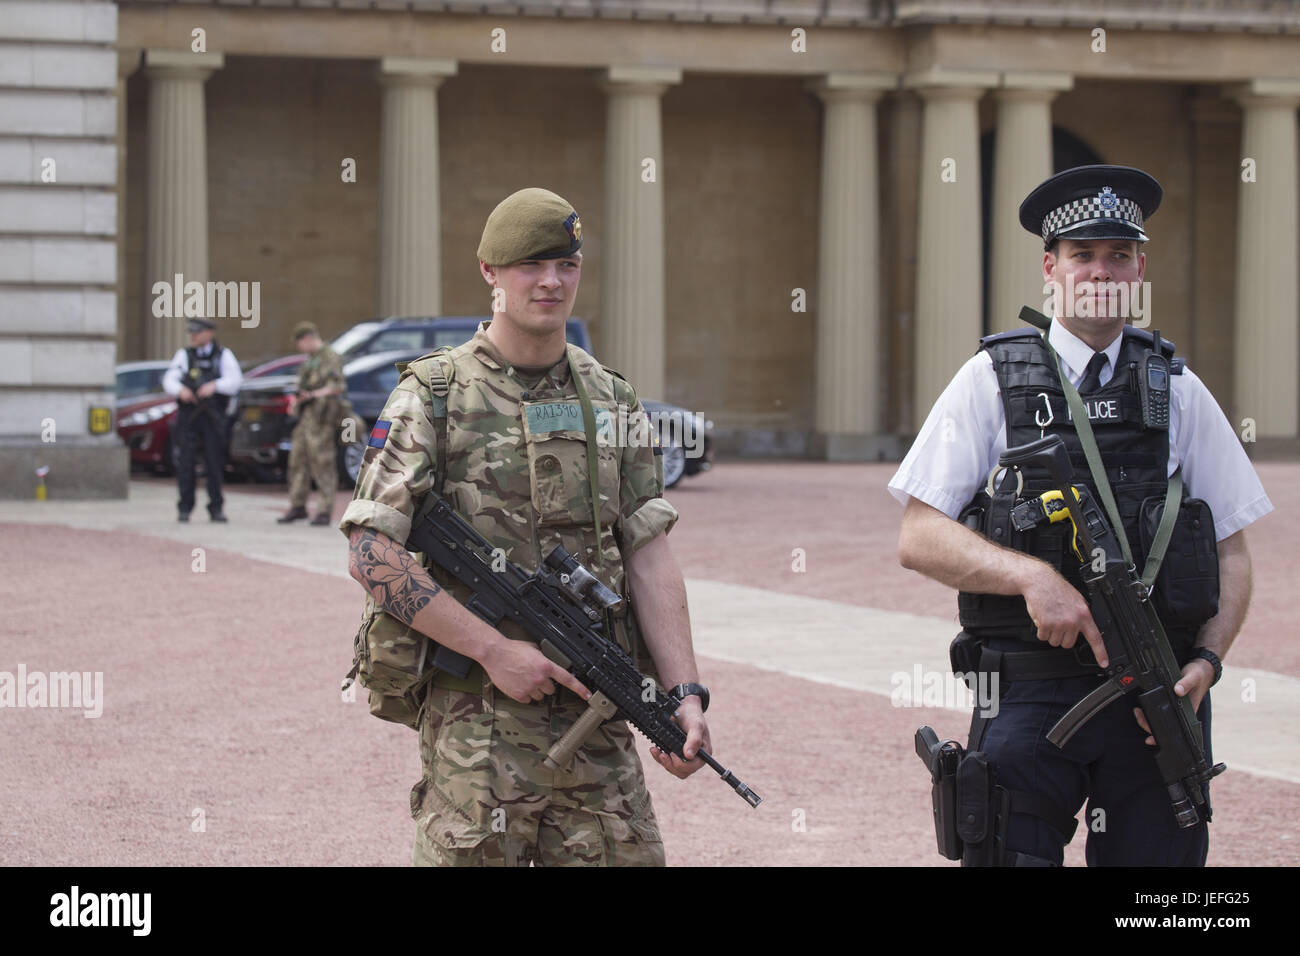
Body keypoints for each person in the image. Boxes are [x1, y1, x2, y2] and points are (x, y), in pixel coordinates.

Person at [889, 165, 1272, 866]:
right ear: (1050, 267)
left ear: (1139, 268)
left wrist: (1209, 662)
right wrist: (1031, 579)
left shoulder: (1177, 389)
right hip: (1030, 691)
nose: (1102, 270)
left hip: (1156, 704)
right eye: (1083, 254)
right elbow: (919, 536)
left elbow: (1232, 550)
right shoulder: (992, 379)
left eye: (1118, 255)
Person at [339, 187, 711, 866]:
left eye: (566, 264)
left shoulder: (612, 398)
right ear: (490, 272)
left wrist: (682, 695)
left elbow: (649, 551)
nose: (551, 282)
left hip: (597, 719)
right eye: (530, 265)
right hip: (477, 731)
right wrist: (492, 650)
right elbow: (371, 551)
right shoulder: (434, 394)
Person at [162, 317, 241, 523]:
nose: (193, 336)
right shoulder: (184, 355)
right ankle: (185, 507)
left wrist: (214, 386)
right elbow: (169, 379)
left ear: (209, 333)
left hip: (212, 418)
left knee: (215, 463)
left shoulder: (223, 355)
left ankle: (216, 508)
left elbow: (234, 381)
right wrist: (181, 390)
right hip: (189, 417)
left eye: (197, 332)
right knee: (186, 463)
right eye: (192, 333)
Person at [278, 322, 346, 526]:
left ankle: (324, 510)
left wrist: (313, 394)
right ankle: (298, 506)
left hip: (322, 418)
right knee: (297, 462)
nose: (299, 348)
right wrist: (296, 401)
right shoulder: (311, 360)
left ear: (307, 338)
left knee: (323, 464)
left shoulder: (330, 357)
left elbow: (337, 386)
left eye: (299, 343)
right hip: (306, 418)